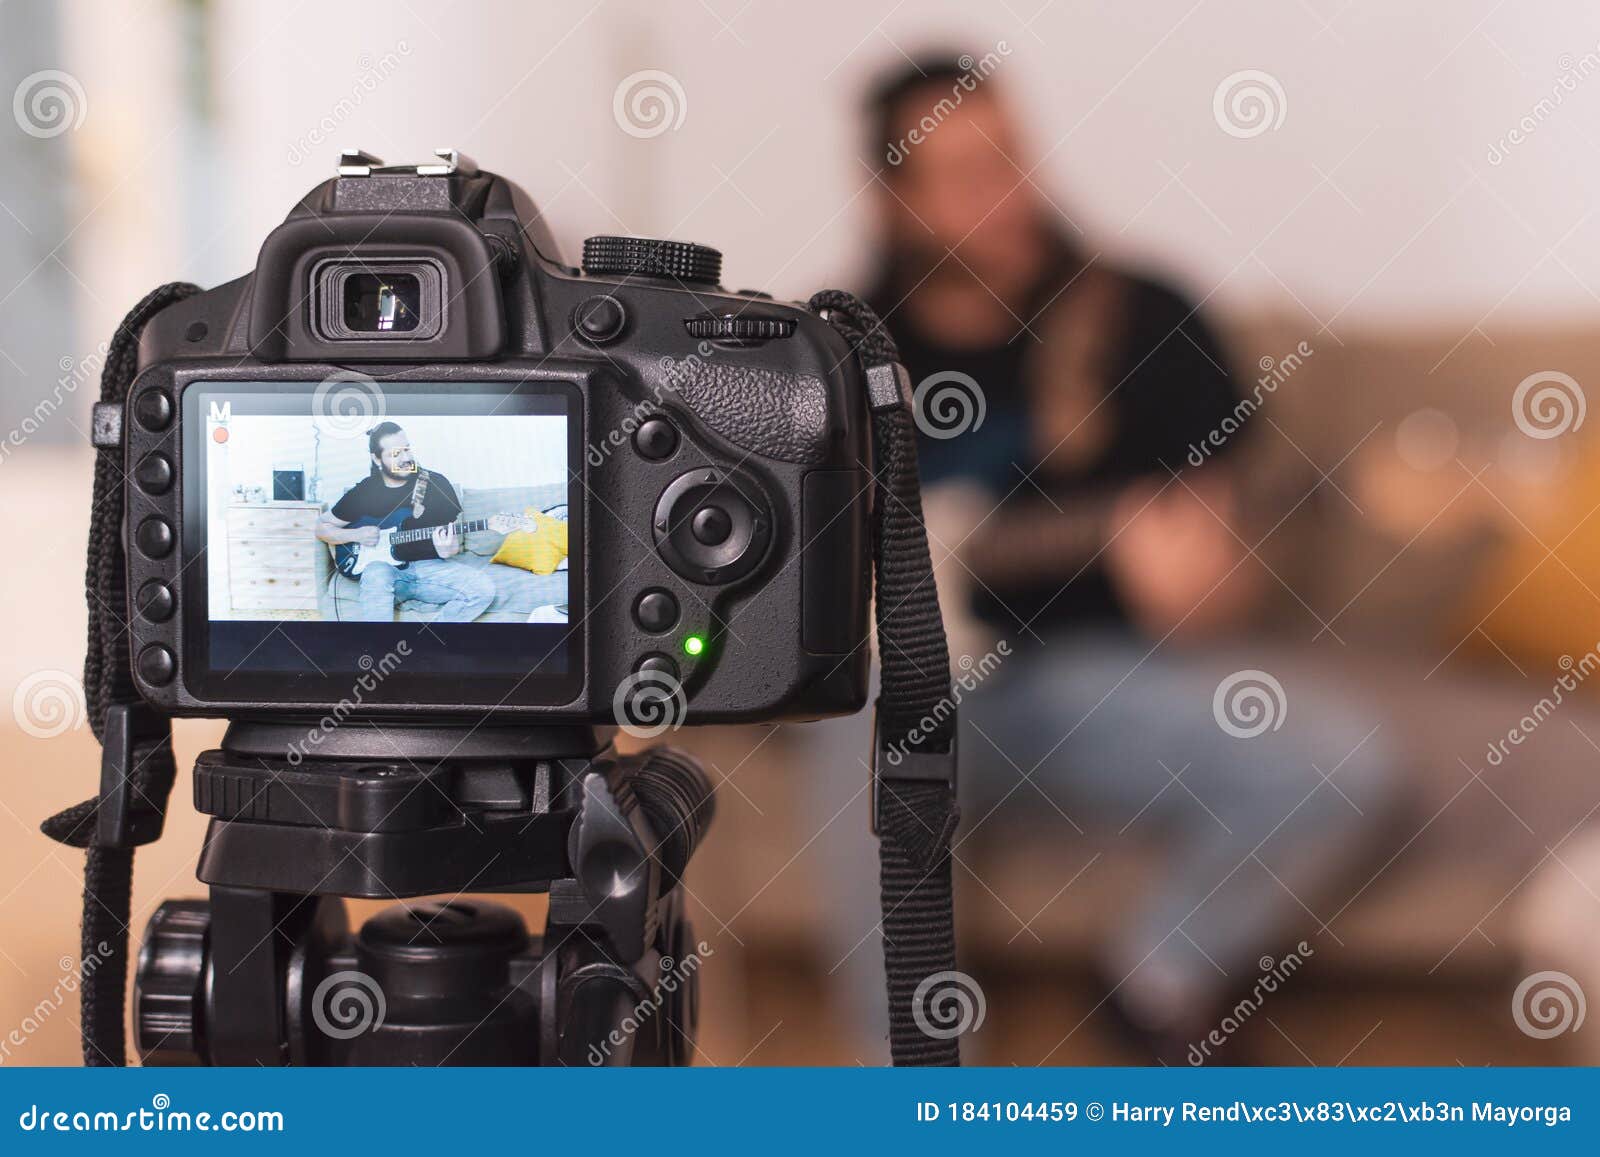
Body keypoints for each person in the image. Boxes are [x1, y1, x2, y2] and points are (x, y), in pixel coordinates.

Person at [797, 56, 1399, 1064]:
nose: (1003, 195)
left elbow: (1221, 580)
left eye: (1010, 157)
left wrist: (1194, 588)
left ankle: (1158, 976)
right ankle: (913, 1082)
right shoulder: (832, 355)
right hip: (913, 700)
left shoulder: (1144, 316)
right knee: (867, 718)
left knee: (1344, 761)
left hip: (1089, 687)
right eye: (964, 174)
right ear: (891, 198)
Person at [315, 421, 496, 623]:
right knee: (375, 572)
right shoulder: (365, 491)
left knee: (483, 589)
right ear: (377, 458)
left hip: (430, 569)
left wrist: (447, 550)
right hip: (387, 573)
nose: (406, 458)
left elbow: (451, 544)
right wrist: (355, 534)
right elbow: (321, 528)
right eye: (395, 454)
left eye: (407, 449)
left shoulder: (436, 484)